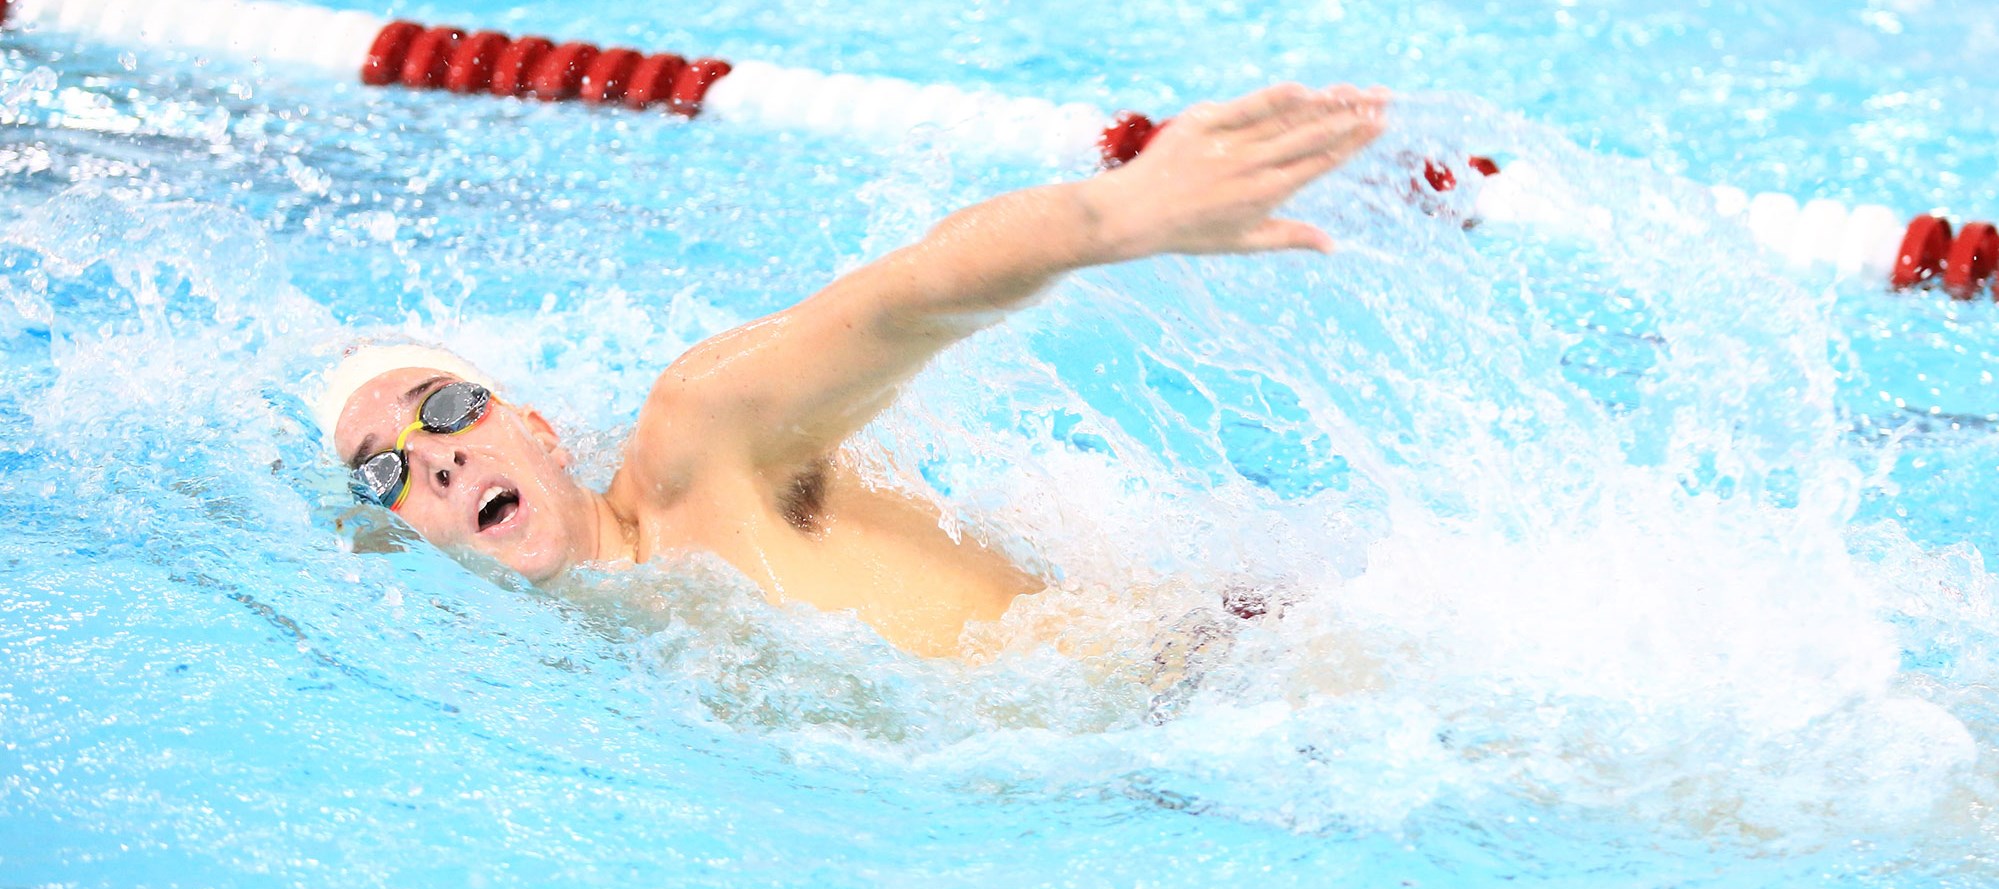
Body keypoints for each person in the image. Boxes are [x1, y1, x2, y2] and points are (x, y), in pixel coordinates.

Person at [317, 82, 1388, 657]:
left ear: (540, 429)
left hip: (1227, 674)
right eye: (387, 473)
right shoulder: (606, 642)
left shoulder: (700, 444)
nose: (440, 463)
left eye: (448, 409)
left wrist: (1110, 215)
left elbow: (905, 299)